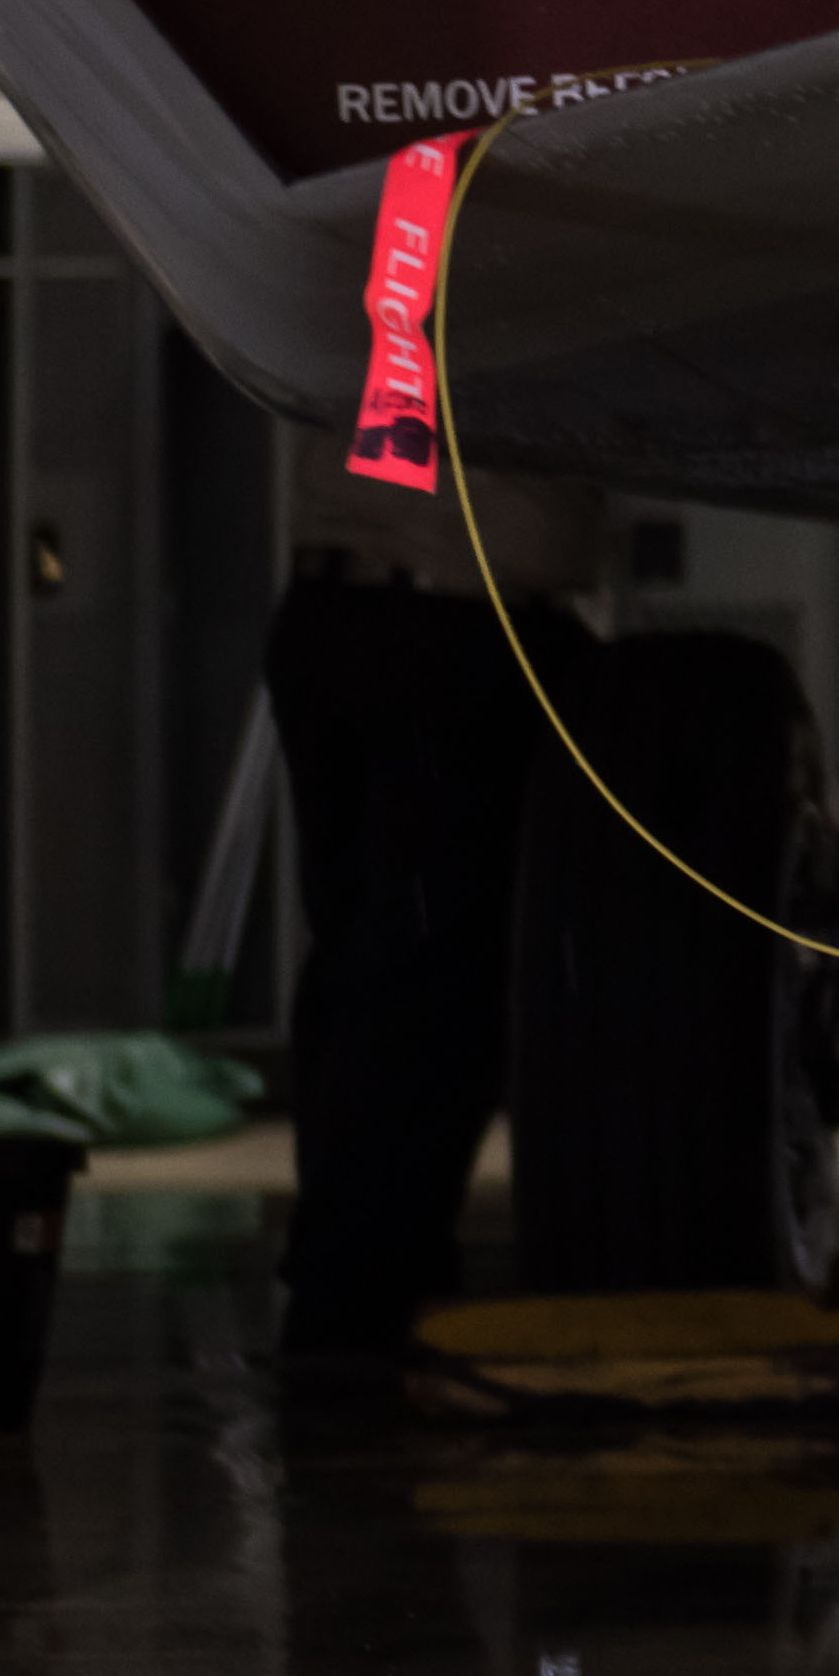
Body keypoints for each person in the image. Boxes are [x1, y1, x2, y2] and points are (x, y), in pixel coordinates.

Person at [256, 453, 601, 1361]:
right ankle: (368, 1274)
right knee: (438, 977)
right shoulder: (508, 306)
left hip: (334, 617)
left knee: (361, 958)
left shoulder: (356, 303)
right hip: (457, 627)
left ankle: (347, 1262)